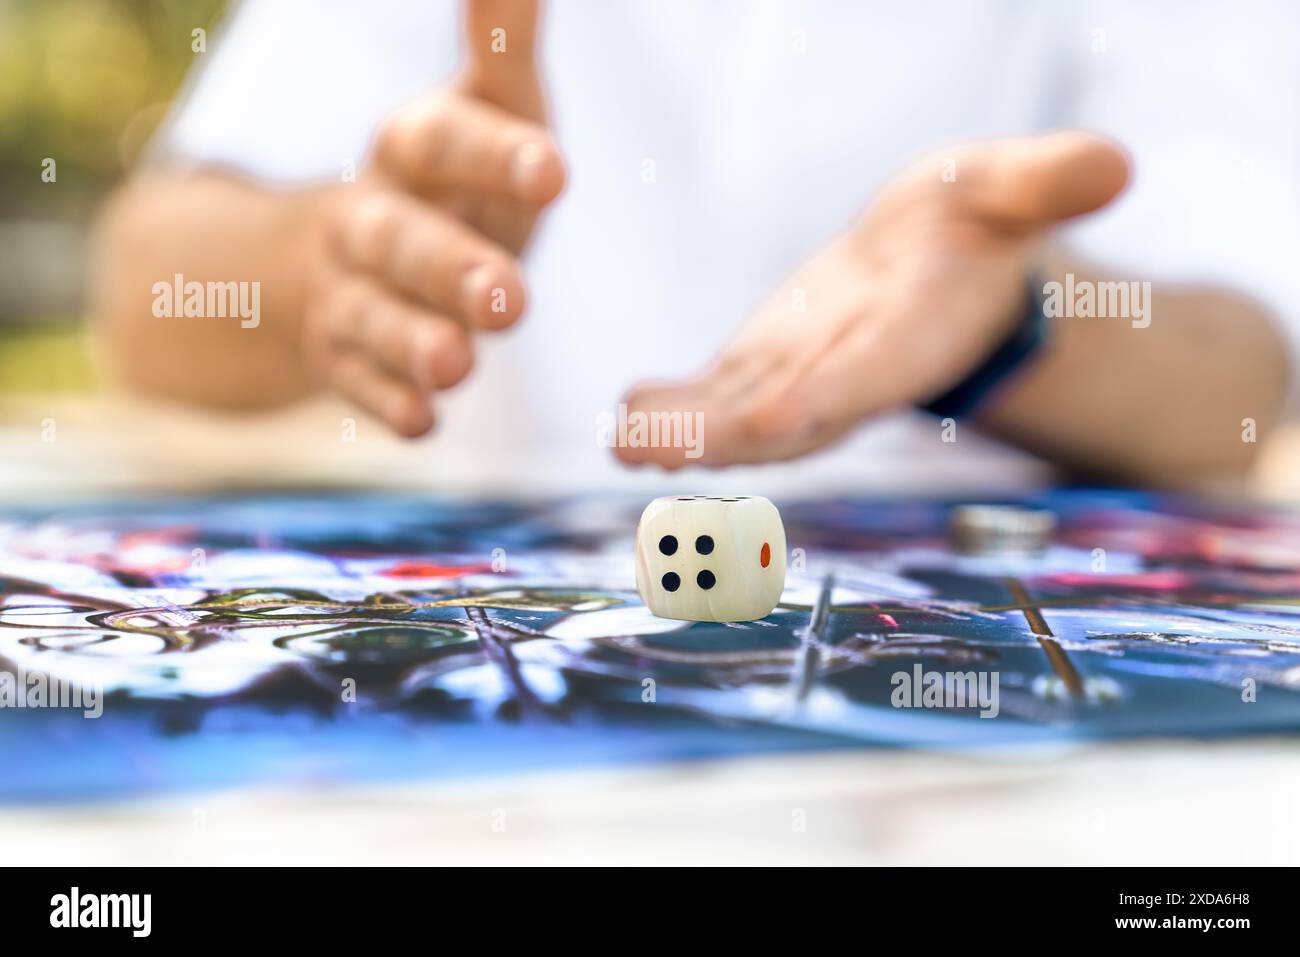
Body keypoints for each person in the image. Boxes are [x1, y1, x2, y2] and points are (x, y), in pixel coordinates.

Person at [93, 0, 1297, 488]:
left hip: (1029, 774)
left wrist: (1008, 314)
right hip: (518, 767)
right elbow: (150, 295)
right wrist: (323, 269)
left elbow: (1244, 380)